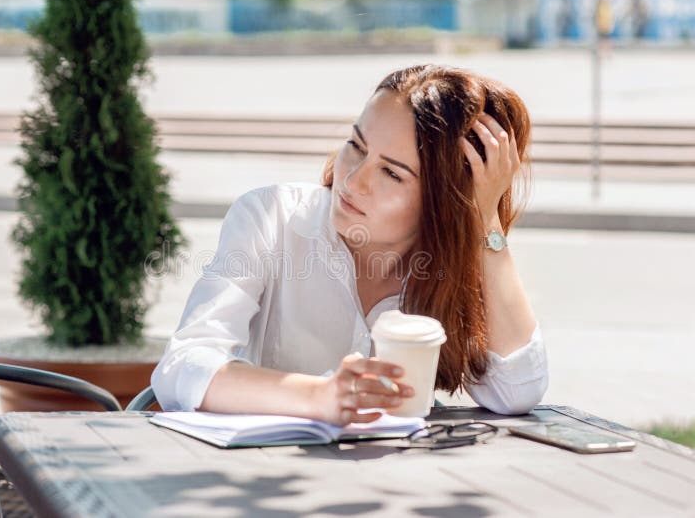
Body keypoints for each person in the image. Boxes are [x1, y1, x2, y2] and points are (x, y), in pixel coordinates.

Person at [151, 65, 548, 425]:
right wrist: (318, 396)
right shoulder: (271, 217)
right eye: (356, 146)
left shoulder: (448, 263)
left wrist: (485, 222)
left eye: (391, 172)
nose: (353, 180)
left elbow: (517, 390)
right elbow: (183, 367)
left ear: (444, 199)